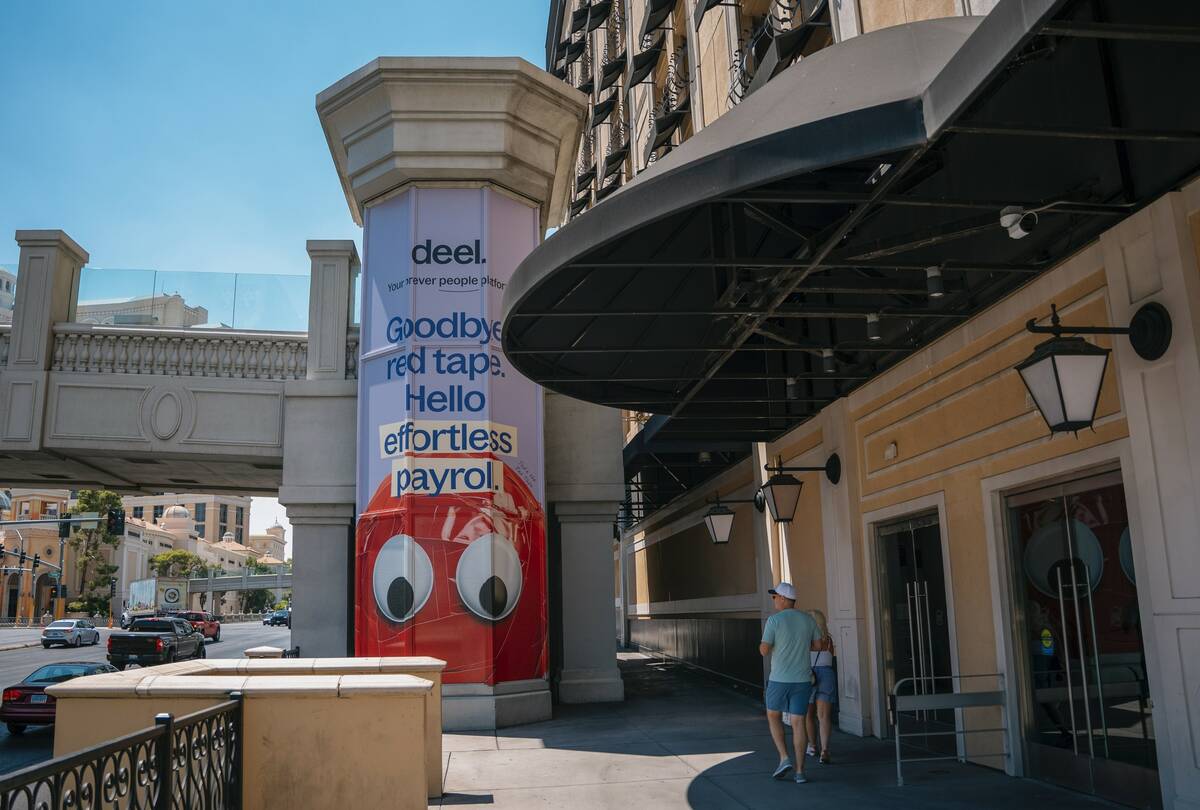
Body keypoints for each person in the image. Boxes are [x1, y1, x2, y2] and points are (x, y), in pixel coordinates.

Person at [760, 582, 820, 784]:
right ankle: (800, 772)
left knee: (773, 715)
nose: (774, 600)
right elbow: (818, 645)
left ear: (784, 599)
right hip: (803, 679)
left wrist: (767, 646)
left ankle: (784, 757)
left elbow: (764, 650)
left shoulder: (774, 621)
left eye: (775, 597)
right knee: (798, 722)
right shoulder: (808, 620)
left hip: (779, 679)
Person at [805, 608, 836, 764]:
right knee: (824, 716)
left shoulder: (806, 639)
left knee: (808, 715)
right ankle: (825, 750)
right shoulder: (829, 640)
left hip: (808, 676)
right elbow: (830, 656)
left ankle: (812, 746)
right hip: (827, 675)